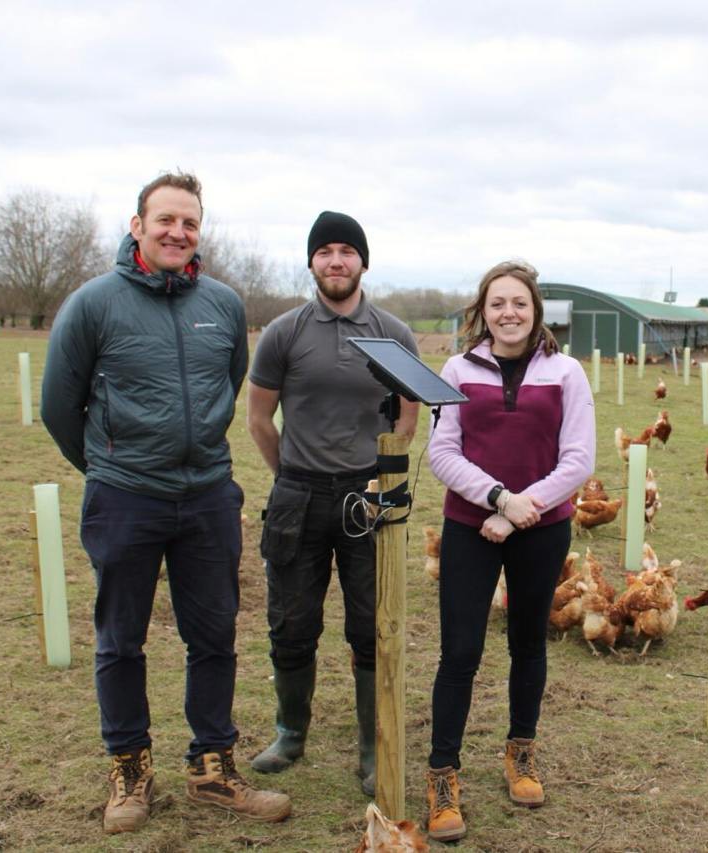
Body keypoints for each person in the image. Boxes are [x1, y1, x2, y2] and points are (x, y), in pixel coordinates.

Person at [41, 172, 290, 833]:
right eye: (166, 220)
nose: (178, 231)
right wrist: (110, 466)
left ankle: (213, 766)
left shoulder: (225, 306)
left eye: (190, 223)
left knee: (213, 635)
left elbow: (228, 383)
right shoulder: (93, 304)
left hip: (207, 496)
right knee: (120, 640)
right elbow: (58, 406)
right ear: (137, 226)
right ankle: (130, 768)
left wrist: (195, 464)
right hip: (125, 498)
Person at [245, 211, 419, 795]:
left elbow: (410, 410)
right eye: (326, 252)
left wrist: (381, 476)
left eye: (347, 251)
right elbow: (259, 419)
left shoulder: (393, 333)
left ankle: (373, 747)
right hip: (298, 496)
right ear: (312, 262)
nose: (336, 261)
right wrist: (291, 476)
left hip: (369, 498)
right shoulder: (284, 333)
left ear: (363, 262)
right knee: (291, 625)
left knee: (371, 627)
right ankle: (290, 731)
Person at [423, 260, 595, 841]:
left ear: (535, 309)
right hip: (471, 526)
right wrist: (497, 500)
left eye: (519, 303)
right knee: (460, 652)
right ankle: (443, 777)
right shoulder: (455, 368)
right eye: (497, 303)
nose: (509, 313)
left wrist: (524, 509)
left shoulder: (567, 371)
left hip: (542, 528)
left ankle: (521, 751)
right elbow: (442, 452)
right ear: (483, 310)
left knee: (528, 642)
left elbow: (578, 459)